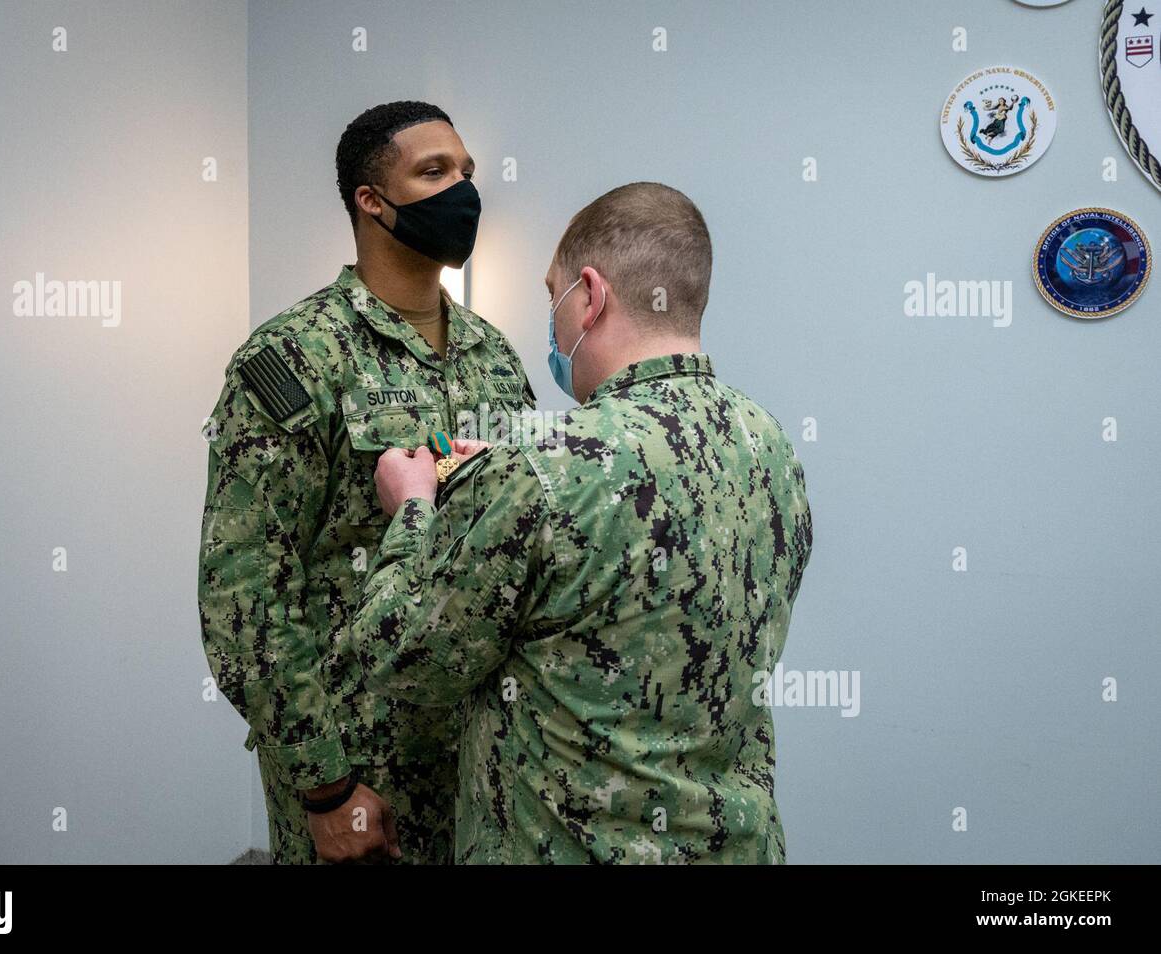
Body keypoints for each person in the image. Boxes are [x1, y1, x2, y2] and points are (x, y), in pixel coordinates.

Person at [350, 182, 813, 863]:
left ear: (590, 296)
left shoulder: (542, 472)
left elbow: (398, 660)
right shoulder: (766, 441)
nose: (553, 320)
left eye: (553, 296)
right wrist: (505, 489)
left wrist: (414, 509)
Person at [197, 101, 534, 864]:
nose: (463, 191)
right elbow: (244, 592)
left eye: (467, 172)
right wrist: (323, 786)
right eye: (435, 171)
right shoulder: (295, 358)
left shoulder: (495, 356)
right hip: (359, 763)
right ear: (370, 201)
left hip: (477, 757)